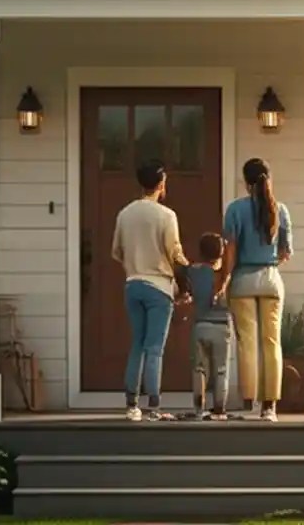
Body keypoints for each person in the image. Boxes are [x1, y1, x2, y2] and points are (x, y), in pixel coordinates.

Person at [111, 159, 189, 422]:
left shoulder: (125, 213)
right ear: (161, 184)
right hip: (158, 287)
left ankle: (131, 403)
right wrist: (187, 278)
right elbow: (175, 253)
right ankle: (153, 405)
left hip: (133, 284)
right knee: (155, 347)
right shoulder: (166, 216)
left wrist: (134, 265)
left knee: (137, 343)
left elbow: (117, 251)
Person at [221, 158, 292, 422]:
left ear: (245, 182)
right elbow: (285, 252)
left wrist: (224, 279)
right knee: (272, 342)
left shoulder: (235, 210)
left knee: (247, 342)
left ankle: (248, 401)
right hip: (271, 278)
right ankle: (270, 407)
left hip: (243, 279)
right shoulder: (280, 209)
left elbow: (230, 251)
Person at [185, 232, 232, 421]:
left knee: (199, 368)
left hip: (200, 326)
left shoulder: (194, 271)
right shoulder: (226, 276)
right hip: (222, 327)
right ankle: (219, 410)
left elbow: (182, 274)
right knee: (221, 369)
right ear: (221, 253)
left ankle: (199, 408)